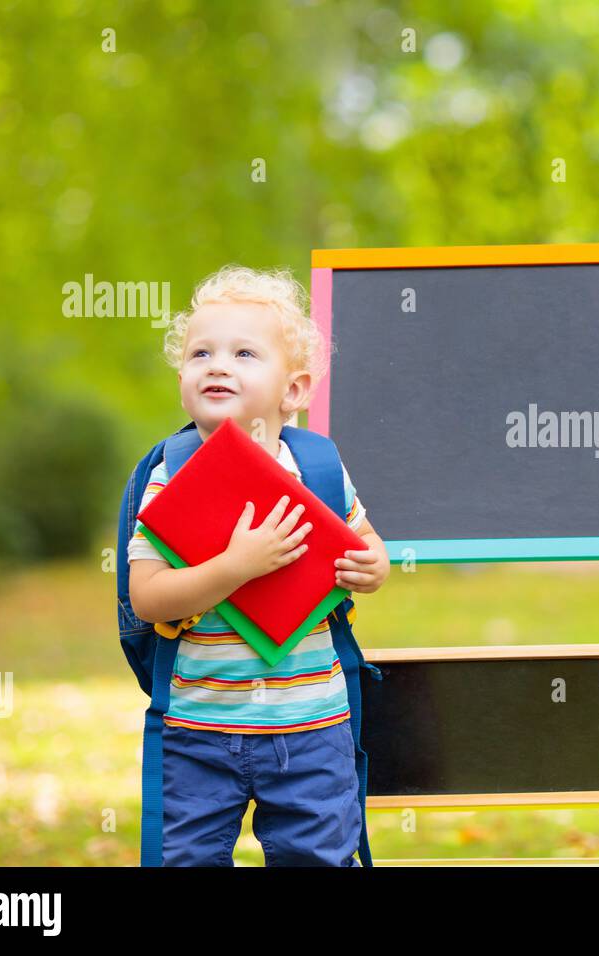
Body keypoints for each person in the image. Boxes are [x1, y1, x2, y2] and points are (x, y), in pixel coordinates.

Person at [127, 265, 390, 865]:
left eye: (244, 353)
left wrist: (373, 566)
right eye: (201, 354)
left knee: (318, 857)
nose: (217, 366)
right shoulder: (169, 477)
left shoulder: (318, 468)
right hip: (200, 728)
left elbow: (365, 541)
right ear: (182, 379)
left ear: (293, 390)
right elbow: (148, 596)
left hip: (313, 725)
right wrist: (235, 566)